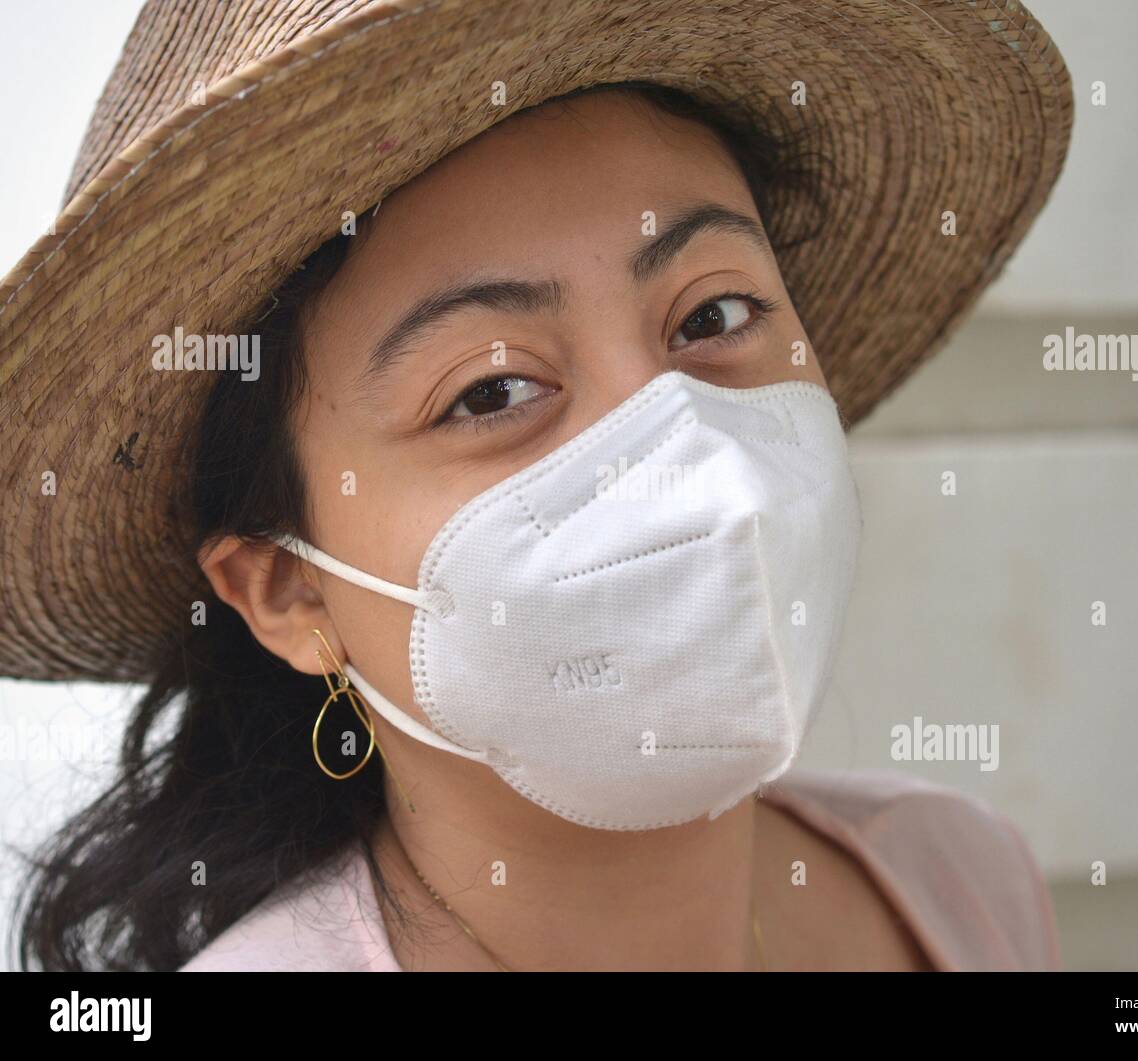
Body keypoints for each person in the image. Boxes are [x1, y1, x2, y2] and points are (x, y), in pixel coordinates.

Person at [2, 0, 1073, 972]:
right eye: (493, 388)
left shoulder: (952, 880)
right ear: (290, 591)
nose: (688, 447)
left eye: (715, 316)